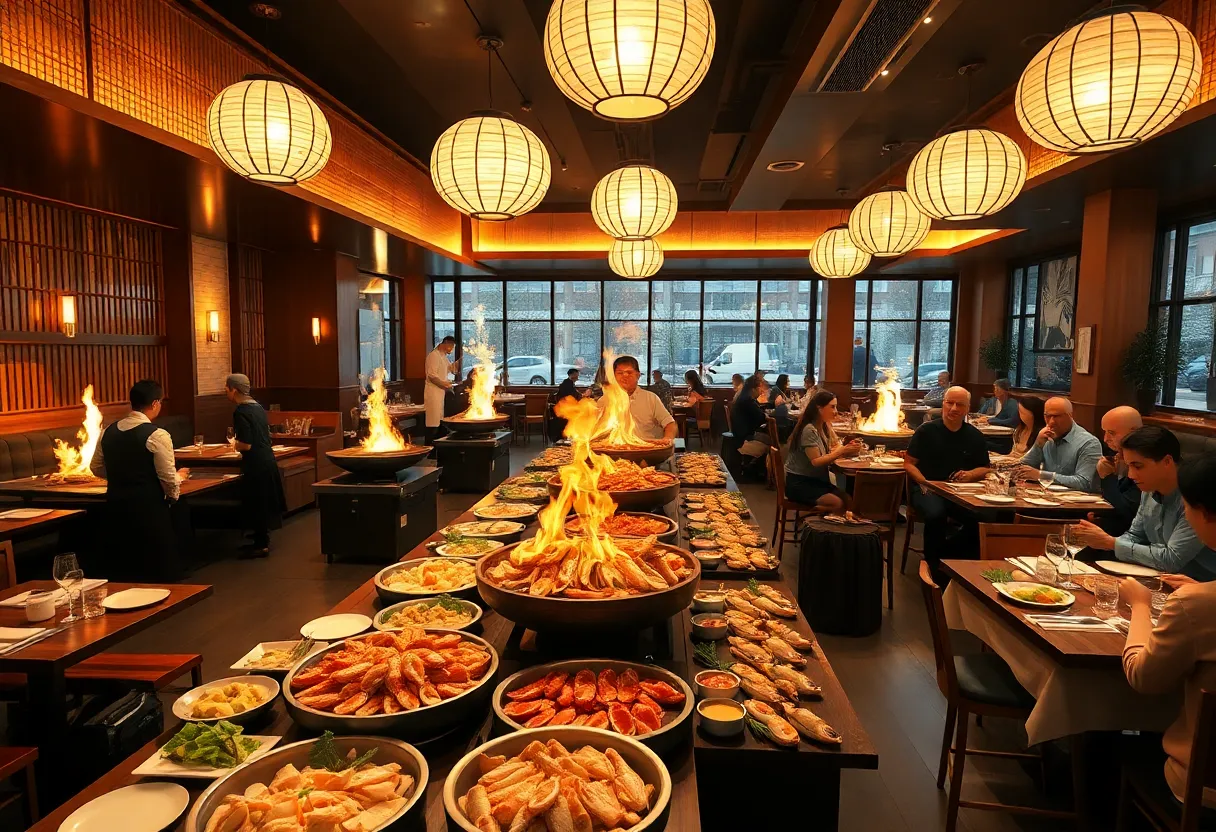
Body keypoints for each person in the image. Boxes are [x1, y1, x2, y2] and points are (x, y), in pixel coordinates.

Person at [1120, 452, 1216, 809]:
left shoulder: (1196, 605)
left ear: (1202, 513)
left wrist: (1141, 605)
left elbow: (1142, 678)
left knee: (1106, 745)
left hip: (1199, 786)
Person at [1068, 427, 1216, 581]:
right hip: (1157, 577)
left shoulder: (1195, 494)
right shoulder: (1148, 489)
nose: (1131, 475)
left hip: (1201, 586)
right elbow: (1135, 535)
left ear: (1167, 461)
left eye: (1138, 466)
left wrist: (1111, 543)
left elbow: (1172, 560)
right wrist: (1104, 542)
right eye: (1129, 466)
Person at [89, 379, 184, 581]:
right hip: (149, 507)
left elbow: (95, 467)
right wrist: (173, 496)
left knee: (126, 564)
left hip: (116, 506)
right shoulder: (157, 435)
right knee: (155, 567)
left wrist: (119, 475)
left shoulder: (108, 432)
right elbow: (167, 477)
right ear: (155, 403)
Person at [903, 386, 991, 577]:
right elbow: (909, 464)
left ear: (967, 408)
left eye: (959, 404)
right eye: (949, 403)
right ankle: (933, 567)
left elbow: (985, 468)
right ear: (943, 404)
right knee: (936, 514)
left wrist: (970, 475)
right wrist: (924, 482)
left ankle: (957, 559)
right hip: (927, 487)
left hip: (959, 491)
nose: (953, 408)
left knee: (981, 516)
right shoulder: (926, 431)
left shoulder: (974, 435)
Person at [224, 373, 285, 558]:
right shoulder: (258, 407)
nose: (226, 392)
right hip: (267, 459)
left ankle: (260, 545)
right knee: (261, 500)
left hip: (256, 462)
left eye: (226, 389)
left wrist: (234, 444)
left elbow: (247, 444)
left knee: (257, 500)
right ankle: (260, 538)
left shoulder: (241, 411)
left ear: (233, 390)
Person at [784, 390, 859, 510]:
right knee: (838, 503)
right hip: (800, 483)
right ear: (819, 408)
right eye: (832, 407)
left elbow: (835, 445)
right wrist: (842, 451)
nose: (836, 411)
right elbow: (816, 461)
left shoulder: (823, 425)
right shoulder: (809, 429)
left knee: (848, 500)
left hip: (815, 480)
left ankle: (829, 523)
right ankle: (809, 521)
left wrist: (847, 447)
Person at [1014, 396, 1102, 492]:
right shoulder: (1045, 436)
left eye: (1057, 416)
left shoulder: (1089, 443)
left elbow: (1084, 482)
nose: (1051, 422)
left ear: (1070, 415)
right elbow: (1021, 468)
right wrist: (1038, 444)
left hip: (1078, 502)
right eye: (1047, 416)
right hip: (1048, 496)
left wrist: (1041, 475)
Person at [1096, 405, 1144, 536]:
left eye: (1111, 433)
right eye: (1104, 432)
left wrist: (1107, 477)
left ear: (1133, 433)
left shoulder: (1144, 462)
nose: (1105, 439)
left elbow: (1126, 511)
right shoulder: (1119, 458)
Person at [603, 355, 676, 441]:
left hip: (647, 449)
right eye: (620, 373)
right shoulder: (605, 401)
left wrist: (667, 438)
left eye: (629, 372)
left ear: (638, 375)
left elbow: (670, 423)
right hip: (614, 449)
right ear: (614, 376)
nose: (625, 376)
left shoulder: (650, 398)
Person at [730, 376, 772, 480]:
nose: (762, 391)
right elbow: (761, 417)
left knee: (769, 438)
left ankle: (759, 469)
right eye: (760, 388)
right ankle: (768, 474)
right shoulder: (747, 400)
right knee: (775, 443)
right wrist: (766, 416)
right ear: (753, 389)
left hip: (740, 434)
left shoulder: (744, 397)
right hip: (744, 438)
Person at [424, 336, 459, 443]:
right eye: (452, 346)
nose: (452, 349)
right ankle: (429, 448)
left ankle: (437, 448)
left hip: (441, 393)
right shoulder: (433, 356)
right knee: (432, 422)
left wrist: (459, 361)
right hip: (433, 392)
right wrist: (445, 385)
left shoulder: (443, 356)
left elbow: (452, 370)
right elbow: (432, 376)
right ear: (447, 343)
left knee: (439, 420)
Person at [769, 374, 794, 440]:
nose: (789, 382)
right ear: (783, 382)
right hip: (775, 413)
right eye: (788, 381)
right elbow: (779, 402)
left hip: (781, 412)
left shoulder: (782, 390)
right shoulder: (776, 389)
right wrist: (789, 401)